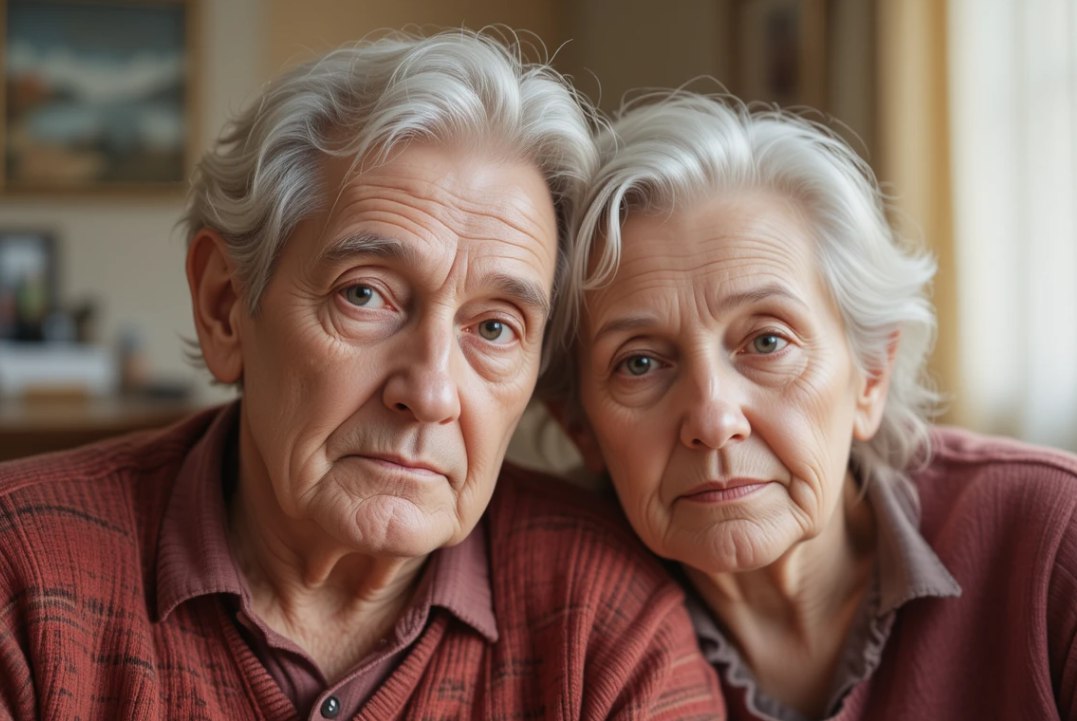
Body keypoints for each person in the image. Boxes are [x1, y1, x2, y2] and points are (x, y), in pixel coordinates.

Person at [0, 33, 725, 720]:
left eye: (495, 327)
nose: (431, 392)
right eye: (365, 294)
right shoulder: (22, 573)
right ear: (225, 307)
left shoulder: (604, 624)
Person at [540, 91, 1077, 720]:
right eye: (639, 362)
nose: (713, 419)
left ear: (871, 375)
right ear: (580, 427)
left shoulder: (1051, 541)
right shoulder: (568, 627)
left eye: (767, 341)